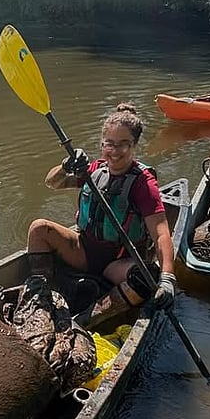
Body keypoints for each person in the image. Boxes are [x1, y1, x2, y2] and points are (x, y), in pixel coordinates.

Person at [25, 103, 177, 316]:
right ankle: (41, 299)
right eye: (109, 144)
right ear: (102, 144)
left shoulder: (143, 183)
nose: (114, 151)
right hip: (84, 251)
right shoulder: (94, 169)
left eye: (123, 144)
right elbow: (52, 183)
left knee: (145, 277)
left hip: (117, 262)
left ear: (134, 145)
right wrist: (66, 167)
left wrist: (168, 278)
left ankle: (90, 318)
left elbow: (161, 234)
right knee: (39, 228)